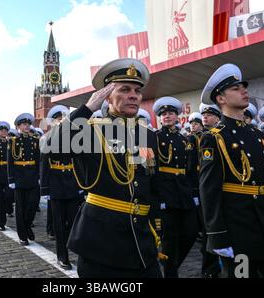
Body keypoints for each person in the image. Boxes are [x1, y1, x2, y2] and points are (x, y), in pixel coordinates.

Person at [59, 58, 164, 278]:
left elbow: (150, 185)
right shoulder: (91, 132)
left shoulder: (147, 135)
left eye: (137, 90)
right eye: (124, 89)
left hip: (141, 241)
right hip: (101, 242)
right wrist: (87, 109)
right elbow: (52, 148)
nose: (133, 95)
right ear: (107, 96)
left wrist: (157, 228)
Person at [199, 64, 264, 278]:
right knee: (243, 276)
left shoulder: (257, 134)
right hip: (238, 229)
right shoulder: (214, 137)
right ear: (221, 99)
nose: (244, 90)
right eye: (235, 88)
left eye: (243, 86)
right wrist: (217, 235)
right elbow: (209, 191)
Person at [153, 97, 199, 278]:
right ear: (159, 117)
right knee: (170, 238)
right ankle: (171, 273)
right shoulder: (154, 138)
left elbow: (191, 169)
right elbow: (152, 169)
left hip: (184, 190)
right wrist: (158, 197)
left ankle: (169, 263)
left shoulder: (185, 139)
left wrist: (194, 192)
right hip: (165, 191)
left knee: (191, 231)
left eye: (170, 113)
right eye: (163, 114)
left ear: (177, 116)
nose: (167, 116)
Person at [40, 105, 84, 270]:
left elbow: (79, 162)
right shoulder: (47, 138)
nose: (62, 121)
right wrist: (45, 189)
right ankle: (62, 256)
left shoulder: (74, 137)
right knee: (59, 223)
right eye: (59, 119)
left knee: (74, 221)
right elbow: (44, 164)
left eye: (64, 119)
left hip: (72, 182)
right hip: (56, 184)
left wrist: (81, 184)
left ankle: (77, 252)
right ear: (53, 122)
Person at [187, 111, 221, 278]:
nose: (194, 125)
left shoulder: (218, 135)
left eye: (196, 122)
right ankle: (210, 269)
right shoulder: (195, 139)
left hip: (222, 189)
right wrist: (194, 191)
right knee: (209, 230)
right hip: (203, 188)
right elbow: (191, 166)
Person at [8, 113, 40, 246]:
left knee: (33, 204)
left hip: (32, 176)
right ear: (19, 126)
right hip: (19, 177)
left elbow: (38, 160)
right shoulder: (13, 141)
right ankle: (22, 235)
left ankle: (27, 226)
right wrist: (11, 179)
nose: (27, 126)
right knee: (20, 208)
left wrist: (39, 176)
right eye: (24, 124)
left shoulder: (35, 140)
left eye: (28, 124)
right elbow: (10, 161)